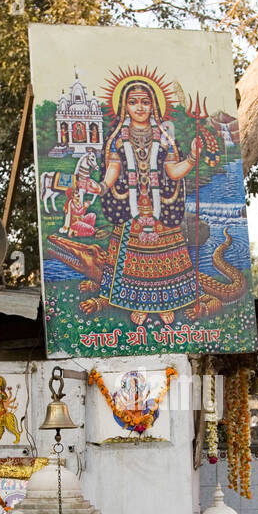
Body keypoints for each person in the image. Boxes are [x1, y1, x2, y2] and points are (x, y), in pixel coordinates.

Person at [85, 74, 206, 326]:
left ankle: (166, 304)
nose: (139, 107)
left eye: (145, 102)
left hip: (160, 210)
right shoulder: (118, 139)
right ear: (125, 107)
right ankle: (137, 305)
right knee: (132, 261)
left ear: (153, 106)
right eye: (133, 102)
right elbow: (111, 174)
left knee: (165, 261)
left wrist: (193, 157)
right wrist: (99, 186)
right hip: (132, 212)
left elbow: (173, 172)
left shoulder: (164, 138)